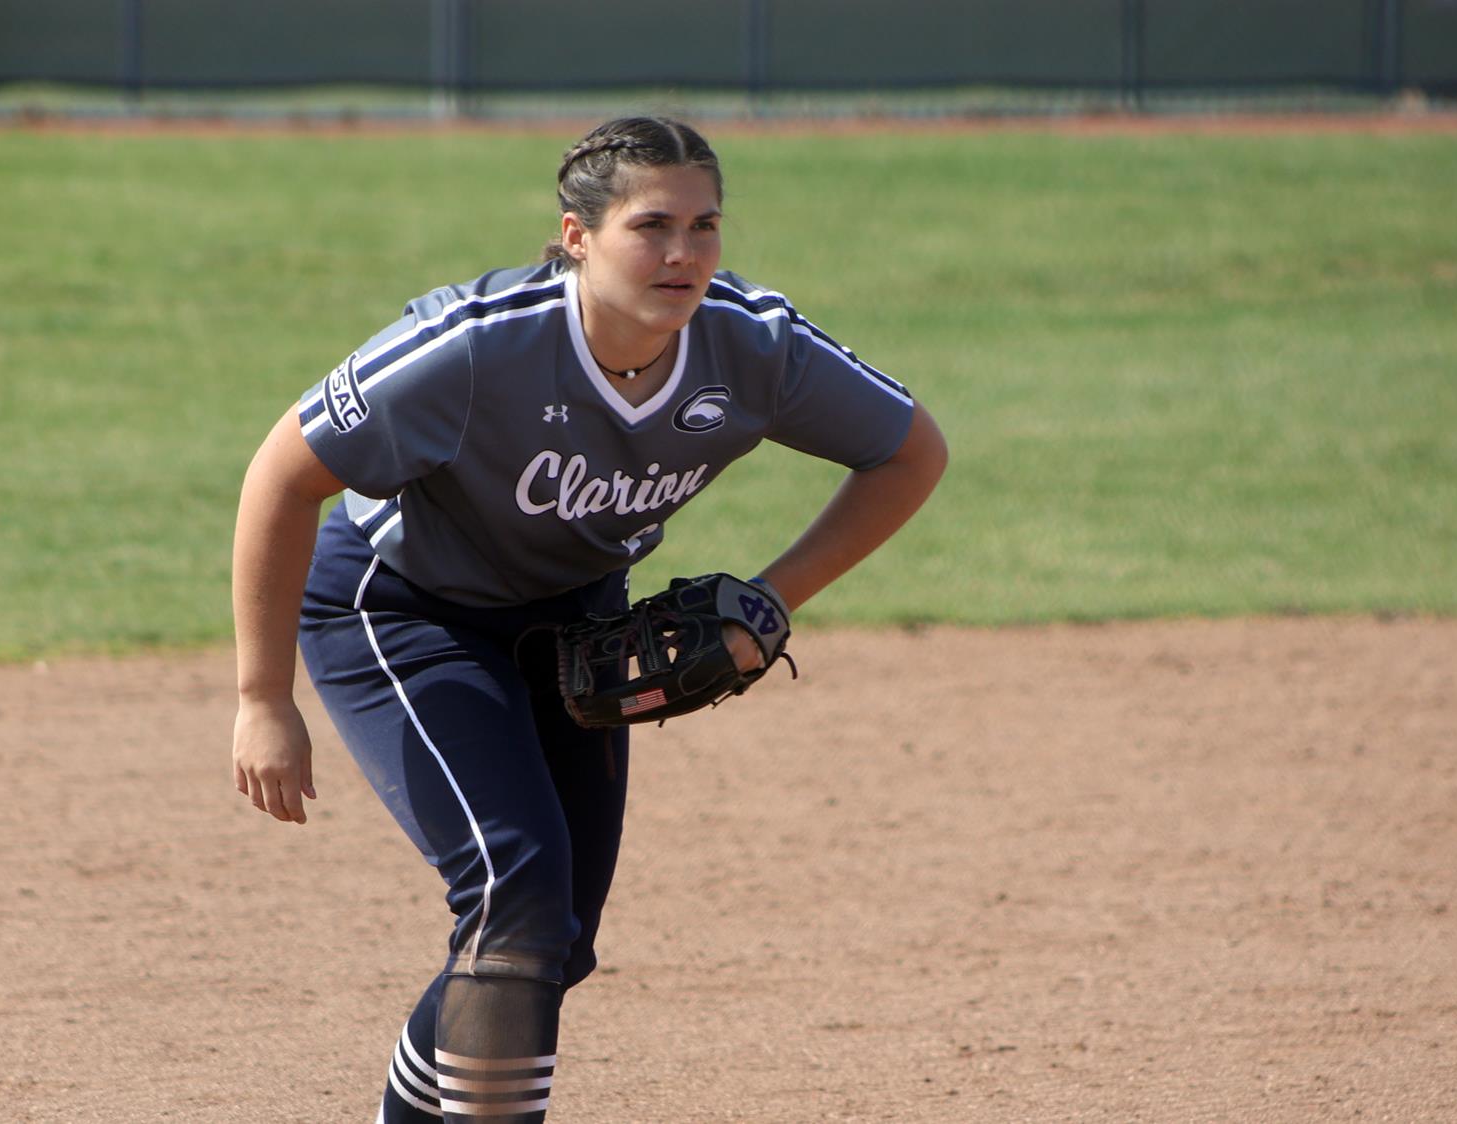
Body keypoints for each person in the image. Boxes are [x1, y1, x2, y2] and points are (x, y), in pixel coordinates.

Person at [230, 115, 947, 1123]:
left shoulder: (752, 344)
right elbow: (282, 473)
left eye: (704, 225)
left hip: (572, 620)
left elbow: (909, 452)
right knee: (515, 894)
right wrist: (263, 697)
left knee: (550, 941)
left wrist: (769, 600)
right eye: (651, 226)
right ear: (576, 236)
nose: (683, 252)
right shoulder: (476, 345)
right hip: (401, 606)